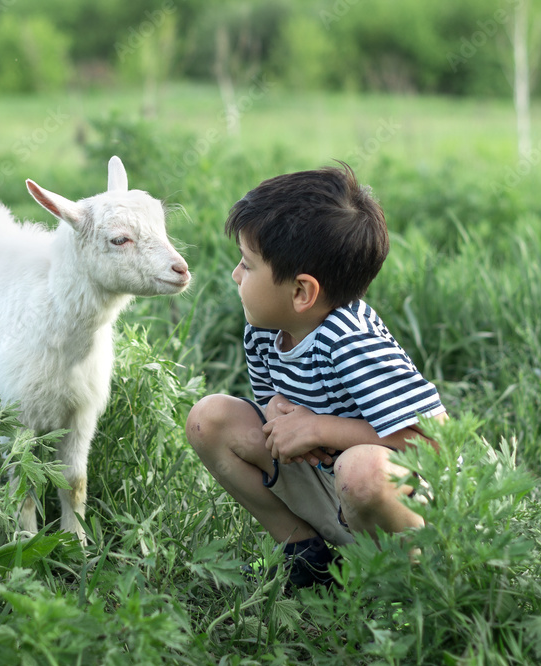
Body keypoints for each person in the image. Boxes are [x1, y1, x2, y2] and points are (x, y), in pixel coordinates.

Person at [185, 163, 447, 588]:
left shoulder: (351, 341)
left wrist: (319, 427)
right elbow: (268, 396)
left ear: (302, 292)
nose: (235, 275)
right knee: (208, 419)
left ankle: (410, 583)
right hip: (331, 489)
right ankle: (307, 554)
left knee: (364, 471)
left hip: (401, 510)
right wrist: (278, 411)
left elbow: (432, 440)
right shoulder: (264, 328)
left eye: (247, 266)